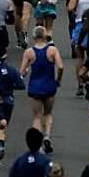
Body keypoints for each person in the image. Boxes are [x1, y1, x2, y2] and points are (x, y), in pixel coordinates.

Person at [20, 26, 64, 154]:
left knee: (37, 117)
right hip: (49, 85)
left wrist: (27, 70)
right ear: (45, 36)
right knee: (48, 113)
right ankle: (47, 136)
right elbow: (60, 66)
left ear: (34, 37)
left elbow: (22, 72)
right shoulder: (52, 50)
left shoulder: (29, 52)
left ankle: (38, 145)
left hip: (35, 87)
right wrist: (58, 80)